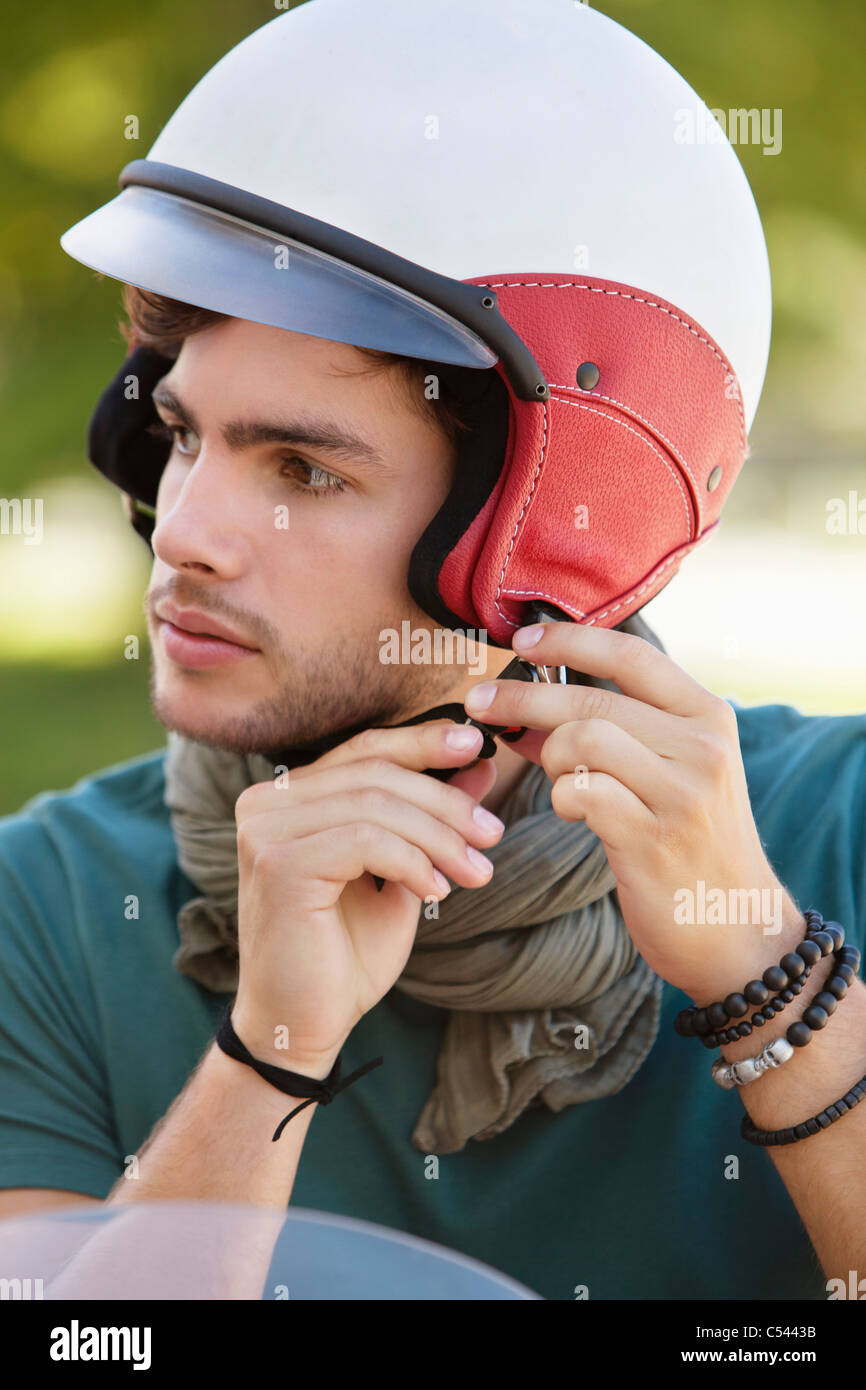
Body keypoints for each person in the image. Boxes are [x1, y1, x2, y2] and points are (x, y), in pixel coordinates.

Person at [1, 0, 864, 1301]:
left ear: (554, 528)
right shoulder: (49, 904)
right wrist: (269, 1051)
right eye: (180, 436)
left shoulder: (838, 829)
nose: (182, 533)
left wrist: (763, 972)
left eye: (302, 468)